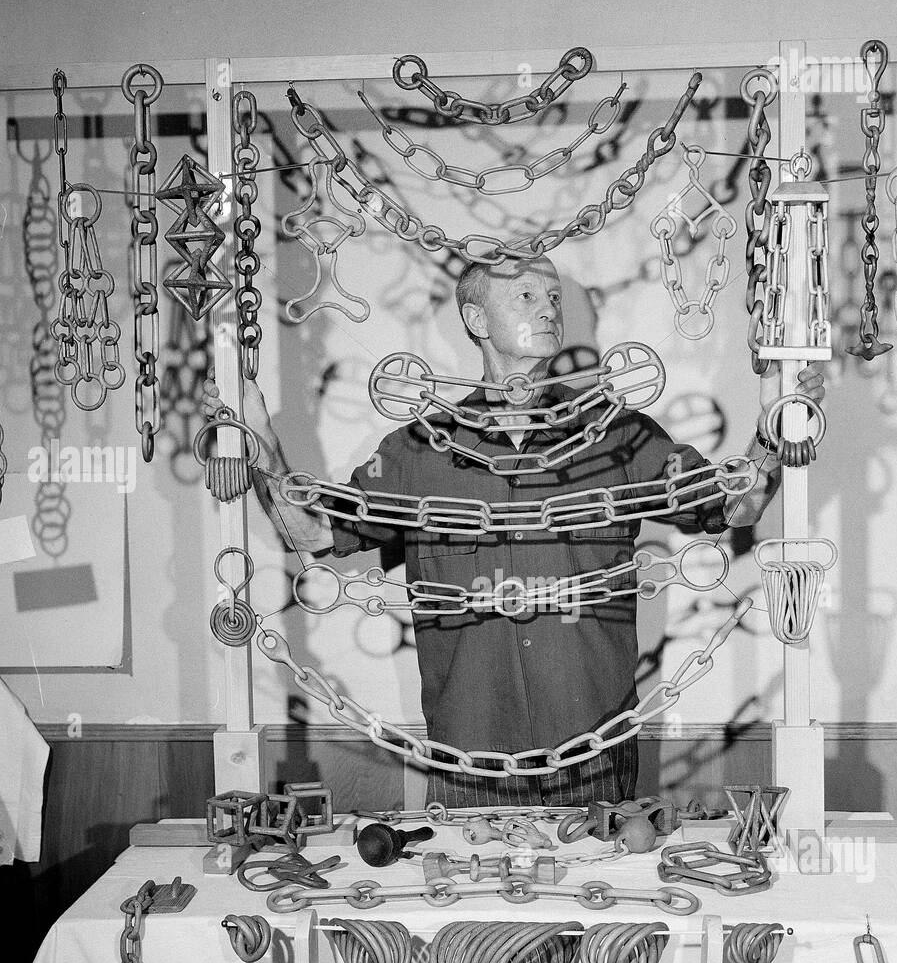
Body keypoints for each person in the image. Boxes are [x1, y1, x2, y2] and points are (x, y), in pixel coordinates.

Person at [208, 255, 824, 808]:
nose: (547, 308)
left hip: (592, 753)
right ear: (476, 321)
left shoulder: (619, 437)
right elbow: (312, 535)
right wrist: (257, 435)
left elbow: (732, 509)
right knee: (464, 933)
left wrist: (777, 428)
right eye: (525, 296)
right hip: (468, 756)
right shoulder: (420, 452)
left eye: (552, 296)